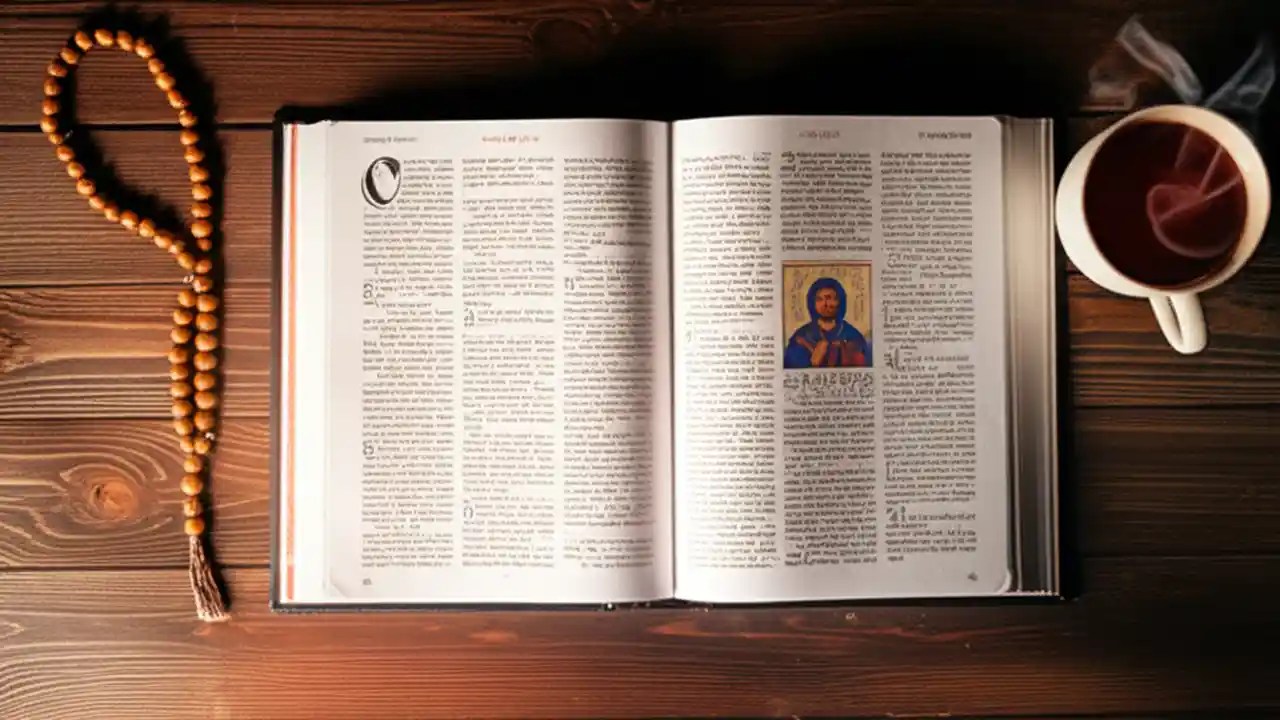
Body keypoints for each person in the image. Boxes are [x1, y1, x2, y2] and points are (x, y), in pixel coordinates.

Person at [783, 277, 871, 368]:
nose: (824, 304)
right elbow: (790, 365)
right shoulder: (801, 336)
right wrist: (812, 363)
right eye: (819, 299)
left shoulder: (853, 335)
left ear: (839, 301)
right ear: (813, 303)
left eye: (829, 298)